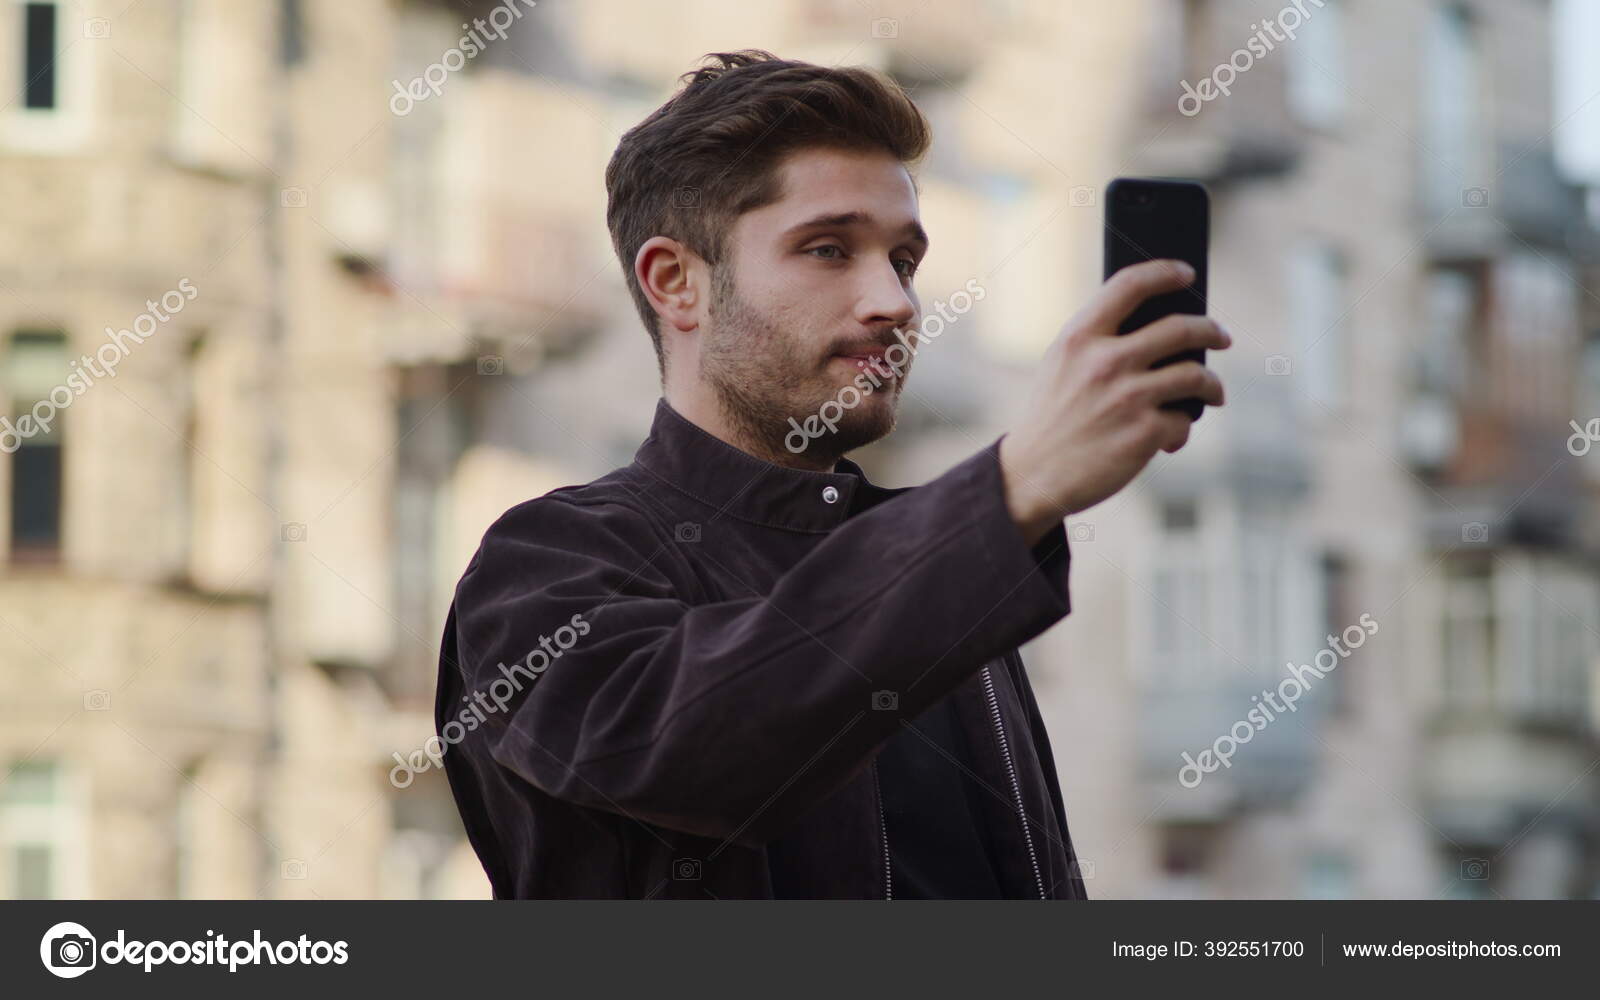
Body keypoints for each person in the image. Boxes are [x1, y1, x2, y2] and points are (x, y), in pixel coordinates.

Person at [435, 50, 1229, 899]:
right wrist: (1009, 490)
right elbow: (695, 750)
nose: (894, 301)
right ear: (677, 283)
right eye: (828, 249)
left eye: (906, 261)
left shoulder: (948, 579)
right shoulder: (548, 563)